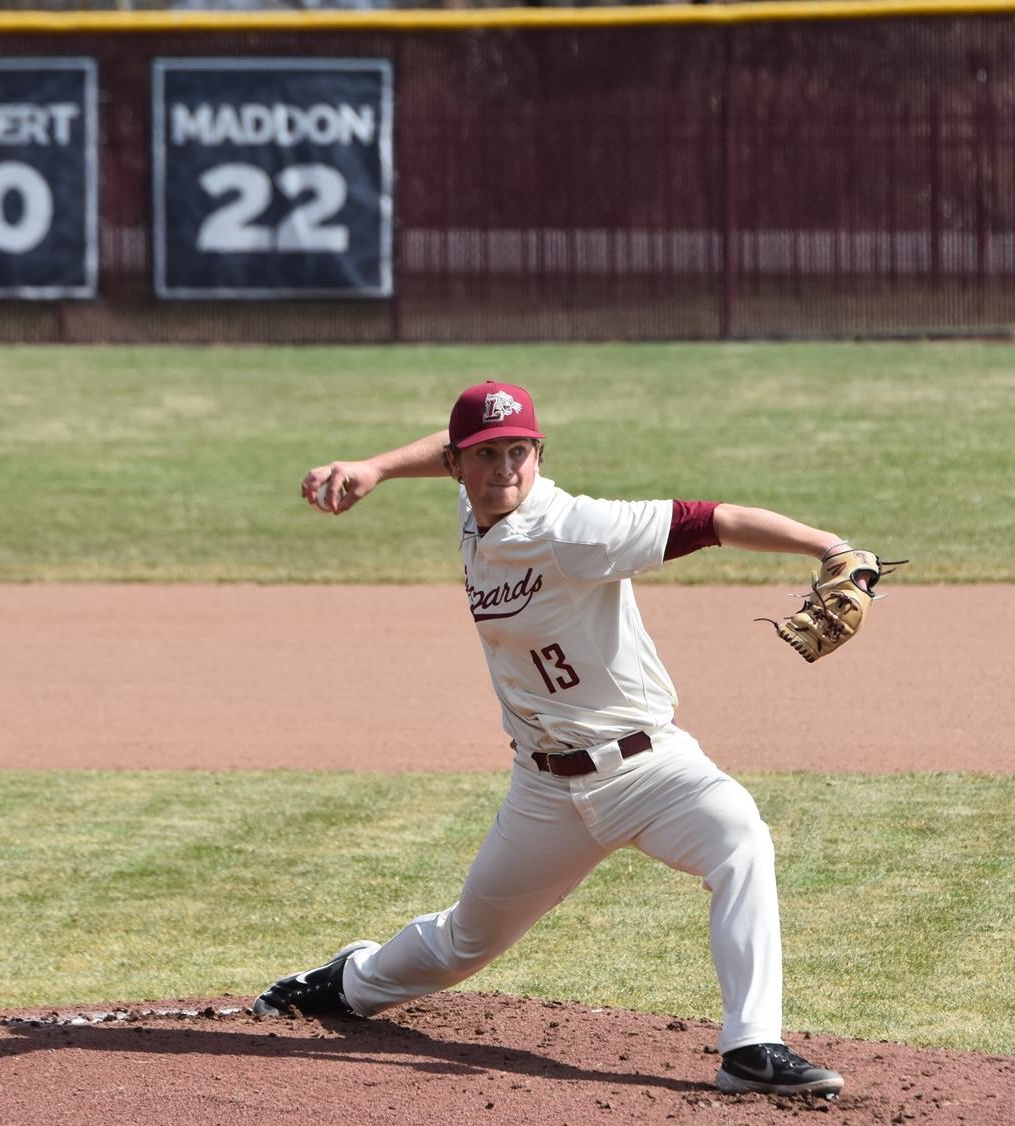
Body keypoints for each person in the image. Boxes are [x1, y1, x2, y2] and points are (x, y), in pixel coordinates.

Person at [259, 379, 881, 1099]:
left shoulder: (577, 529)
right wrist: (374, 468)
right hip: (545, 790)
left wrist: (832, 547)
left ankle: (750, 1046)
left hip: (650, 770)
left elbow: (716, 519)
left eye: (520, 453)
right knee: (466, 942)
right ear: (461, 466)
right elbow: (448, 446)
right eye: (487, 457)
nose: (504, 471)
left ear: (539, 454)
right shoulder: (475, 501)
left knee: (741, 839)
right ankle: (349, 982)